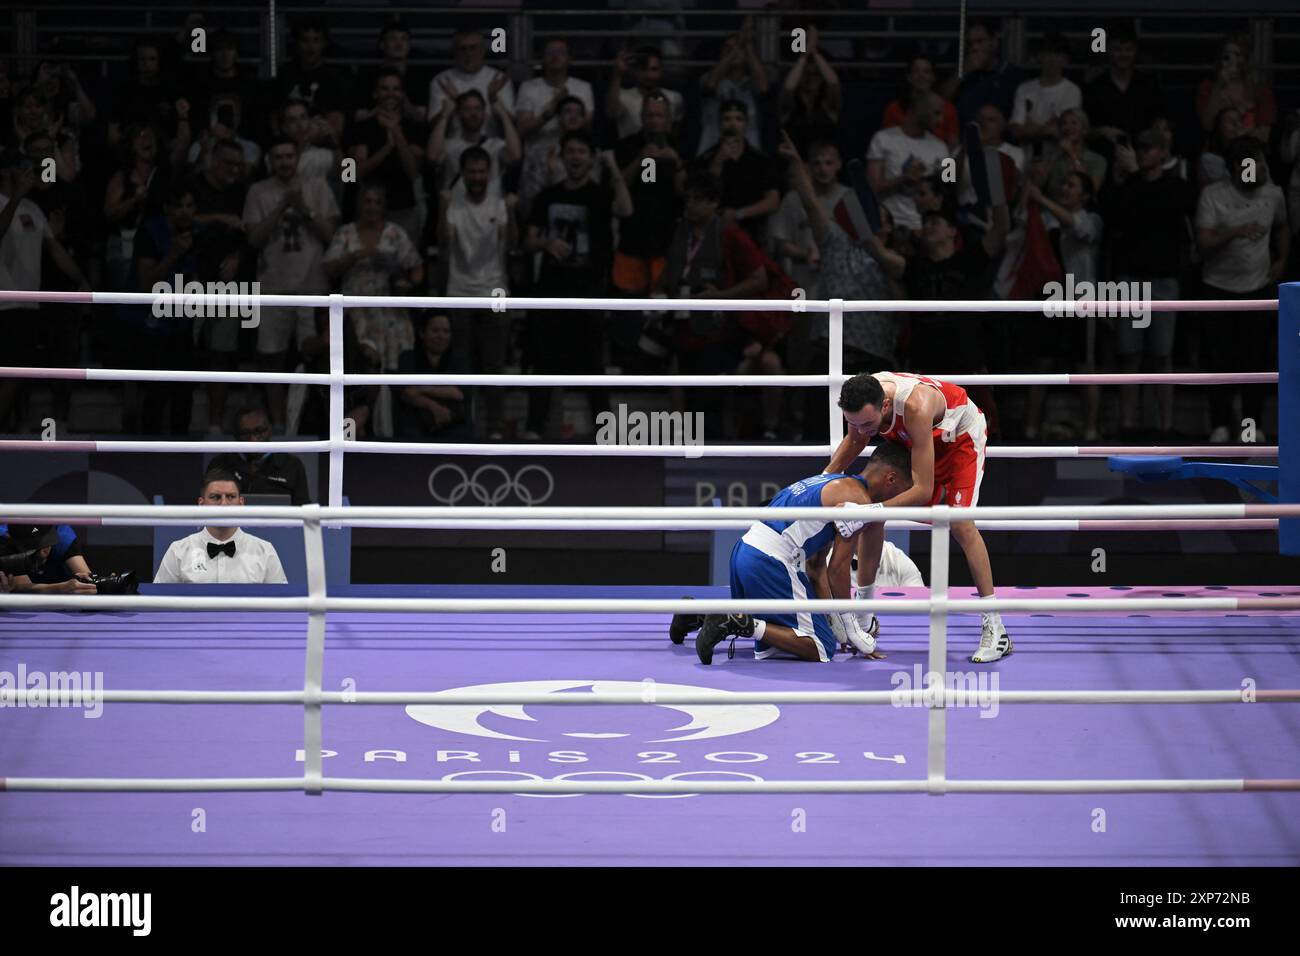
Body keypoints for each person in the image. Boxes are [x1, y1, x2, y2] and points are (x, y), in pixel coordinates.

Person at [826, 372, 1013, 664]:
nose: (862, 431)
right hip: (922, 440)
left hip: (959, 437)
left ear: (885, 406)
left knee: (961, 523)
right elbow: (855, 442)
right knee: (873, 509)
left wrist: (866, 512)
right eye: (854, 423)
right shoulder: (863, 396)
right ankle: (864, 617)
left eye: (867, 424)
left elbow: (922, 490)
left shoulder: (915, 407)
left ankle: (995, 628)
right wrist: (821, 482)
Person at [673, 439, 914, 665]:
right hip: (770, 561)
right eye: (903, 491)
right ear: (890, 479)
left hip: (745, 551)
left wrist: (838, 625)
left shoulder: (831, 480)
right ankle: (736, 621)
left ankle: (697, 616)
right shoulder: (857, 501)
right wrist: (854, 631)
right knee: (820, 647)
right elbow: (837, 569)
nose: (898, 502)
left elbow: (817, 567)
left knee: (786, 634)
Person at [154, 471, 288, 584]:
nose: (224, 504)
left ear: (241, 503)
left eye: (231, 497)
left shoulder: (265, 551)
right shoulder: (178, 551)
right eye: (215, 497)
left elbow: (282, 608)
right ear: (201, 504)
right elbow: (158, 605)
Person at [208, 407, 313, 504]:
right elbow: (208, 506)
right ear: (236, 435)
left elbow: (303, 509)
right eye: (246, 433)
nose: (253, 439)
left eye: (259, 431)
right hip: (230, 524)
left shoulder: (292, 464)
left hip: (280, 524)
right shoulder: (220, 464)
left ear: (270, 429)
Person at [0, 524, 97, 594]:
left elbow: (88, 579)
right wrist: (61, 588)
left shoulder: (63, 534)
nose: (43, 553)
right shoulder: (5, 540)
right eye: (35, 547)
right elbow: (22, 588)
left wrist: (94, 583)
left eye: (47, 542)